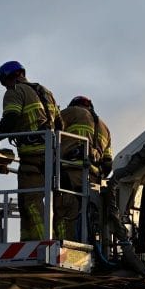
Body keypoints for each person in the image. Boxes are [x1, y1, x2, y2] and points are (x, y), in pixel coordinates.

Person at [0, 61, 61, 240]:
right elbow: (60, 125)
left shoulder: (14, 90)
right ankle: (31, 240)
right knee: (43, 201)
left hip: (32, 156)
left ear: (5, 78)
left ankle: (39, 242)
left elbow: (10, 119)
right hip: (52, 156)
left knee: (29, 202)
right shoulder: (45, 92)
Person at [55, 96, 113, 241]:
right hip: (92, 180)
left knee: (64, 211)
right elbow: (108, 164)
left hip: (71, 173)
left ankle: (63, 244)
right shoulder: (105, 128)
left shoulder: (73, 112)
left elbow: (52, 125)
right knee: (86, 216)